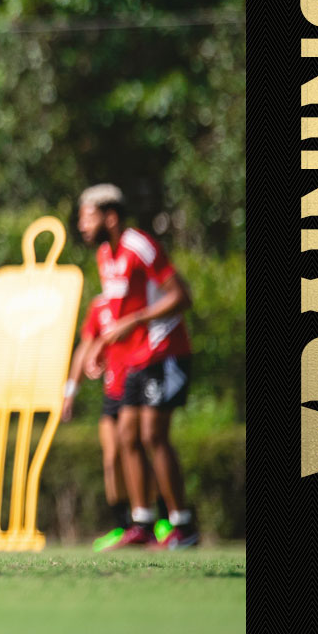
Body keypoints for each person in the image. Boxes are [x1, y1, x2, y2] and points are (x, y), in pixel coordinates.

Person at [77, 184, 200, 549]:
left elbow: (182, 296)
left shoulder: (139, 246)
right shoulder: (104, 255)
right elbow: (115, 320)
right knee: (126, 437)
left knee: (152, 436)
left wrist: (138, 320)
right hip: (133, 358)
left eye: (88, 216)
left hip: (165, 351)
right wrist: (99, 347)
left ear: (110, 217)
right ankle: (141, 523)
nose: (82, 224)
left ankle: (183, 525)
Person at [62, 286, 163, 550]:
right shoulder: (99, 306)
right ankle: (123, 525)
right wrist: (70, 391)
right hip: (113, 392)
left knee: (140, 448)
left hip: (138, 385)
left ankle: (159, 517)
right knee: (112, 457)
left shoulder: (137, 305)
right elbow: (86, 346)